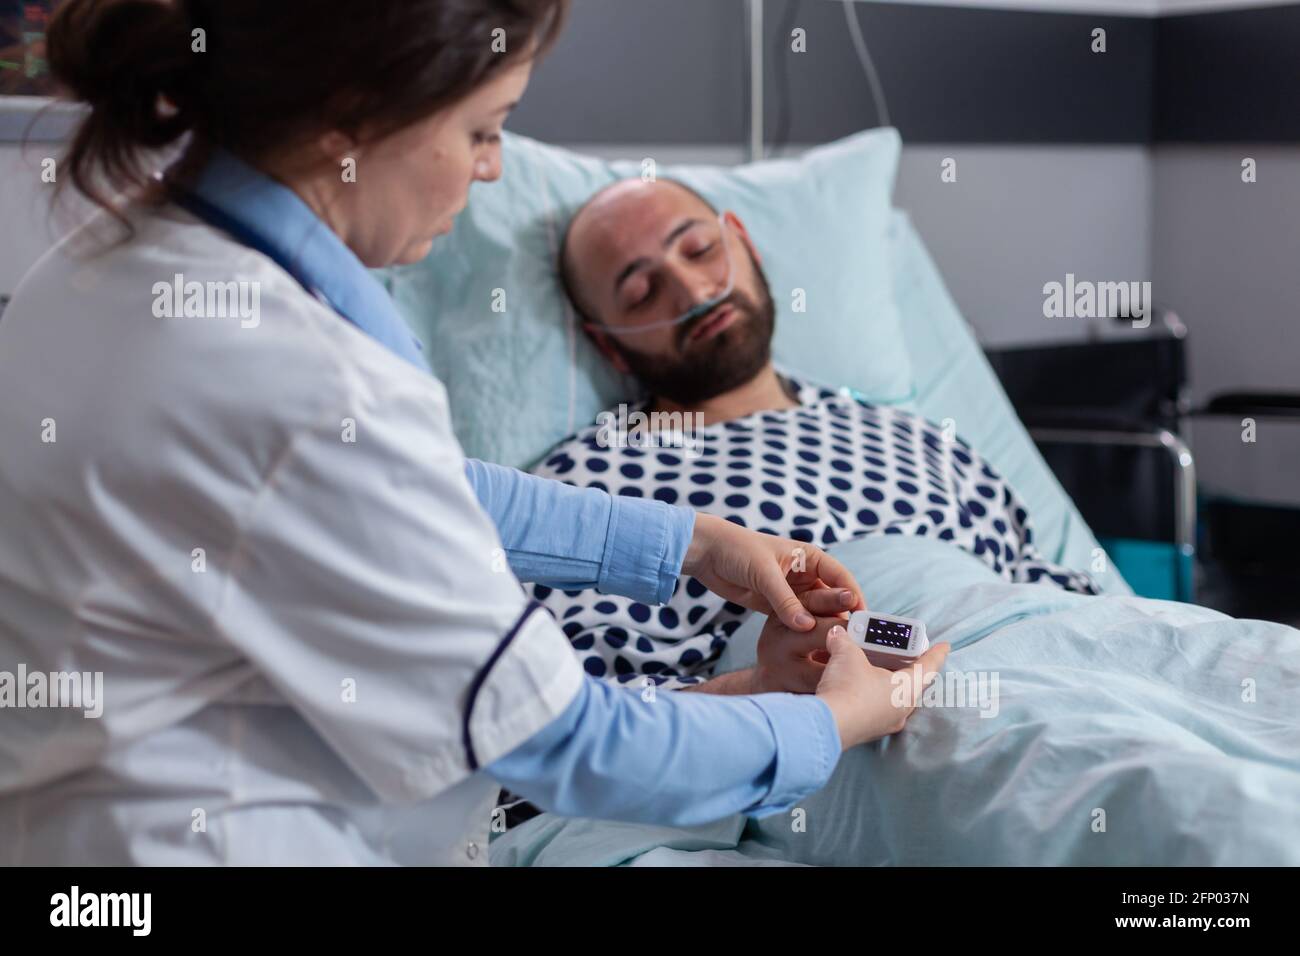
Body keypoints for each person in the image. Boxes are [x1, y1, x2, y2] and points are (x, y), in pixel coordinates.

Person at [0, 0, 947, 865]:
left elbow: (411, 489)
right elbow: (569, 746)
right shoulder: (297, 376)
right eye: (483, 129)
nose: (494, 165)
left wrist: (693, 542)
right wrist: (835, 724)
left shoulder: (99, 263)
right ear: (355, 119)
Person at [529, 175, 1094, 690]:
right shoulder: (582, 493)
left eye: (701, 250)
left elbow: (1053, 593)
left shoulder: (916, 438)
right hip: (845, 725)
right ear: (607, 345)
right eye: (641, 293)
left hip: (1060, 655)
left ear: (744, 243)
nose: (695, 292)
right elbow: (567, 725)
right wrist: (761, 688)